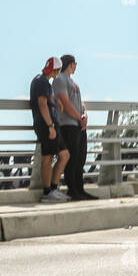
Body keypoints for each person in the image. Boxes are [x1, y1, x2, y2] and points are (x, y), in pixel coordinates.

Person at [53, 54, 95, 200]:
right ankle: (72, 190)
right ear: (70, 64)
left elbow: (81, 104)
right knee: (72, 158)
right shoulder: (60, 80)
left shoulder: (74, 83)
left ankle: (80, 189)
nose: (76, 66)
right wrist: (79, 118)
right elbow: (64, 103)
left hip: (78, 125)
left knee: (81, 158)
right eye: (75, 64)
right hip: (68, 125)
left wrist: (85, 115)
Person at [29, 57, 70, 202]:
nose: (57, 73)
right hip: (46, 124)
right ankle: (48, 192)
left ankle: (53, 189)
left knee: (64, 155)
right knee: (48, 157)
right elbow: (42, 104)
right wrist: (50, 126)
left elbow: (46, 101)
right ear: (55, 70)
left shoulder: (44, 82)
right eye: (57, 70)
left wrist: (56, 101)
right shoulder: (41, 81)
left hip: (50, 124)